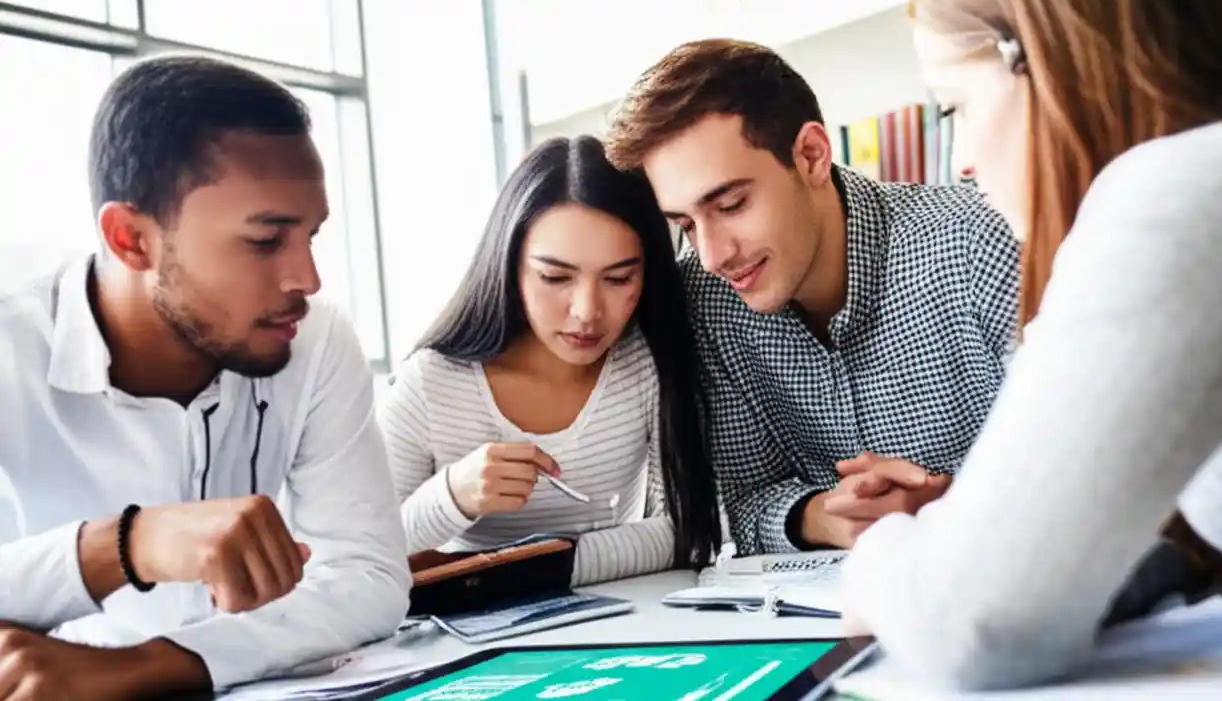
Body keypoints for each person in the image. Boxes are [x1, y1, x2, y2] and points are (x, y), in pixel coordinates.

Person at [841, 0, 1222, 690]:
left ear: (1041, 58)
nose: (959, 161)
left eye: (954, 105)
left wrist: (877, 557)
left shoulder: (1185, 191)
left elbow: (971, 628)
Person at [0, 56, 410, 699]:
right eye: (265, 240)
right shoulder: (8, 347)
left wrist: (149, 665)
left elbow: (369, 575)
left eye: (312, 235)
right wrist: (127, 544)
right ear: (132, 238)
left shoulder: (315, 338)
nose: (308, 278)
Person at [603, 39, 1020, 556]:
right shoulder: (707, 301)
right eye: (685, 224)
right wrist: (823, 517)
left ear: (812, 156)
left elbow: (1093, 464)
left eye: (731, 204)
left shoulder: (981, 241)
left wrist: (951, 507)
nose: (712, 255)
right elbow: (738, 503)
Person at [380, 135, 721, 585]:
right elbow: (366, 553)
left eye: (619, 278)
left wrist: (530, 571)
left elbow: (691, 530)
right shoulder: (430, 383)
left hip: (618, 619)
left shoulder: (646, 358)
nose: (587, 311)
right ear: (509, 264)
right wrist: (453, 496)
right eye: (555, 277)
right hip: (463, 629)